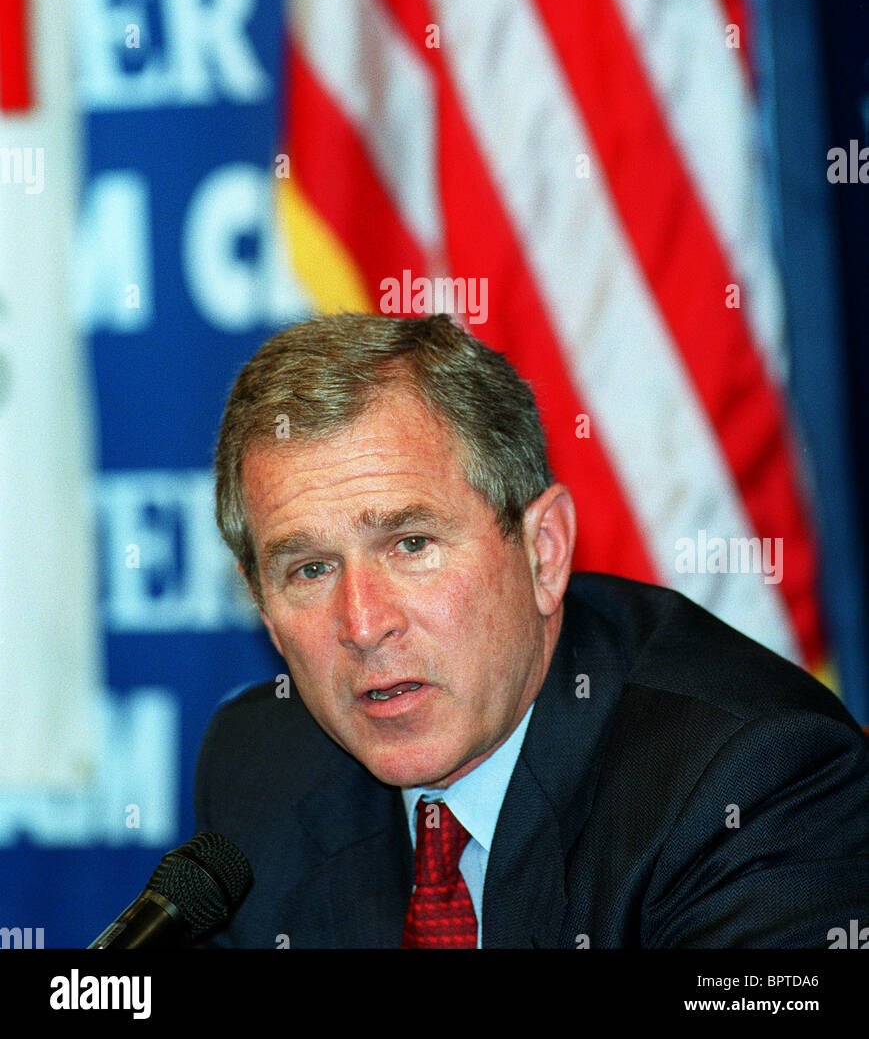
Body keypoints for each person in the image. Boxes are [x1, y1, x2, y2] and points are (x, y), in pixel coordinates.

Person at [195, 312, 869, 948]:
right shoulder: (259, 766)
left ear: (542, 551)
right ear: (265, 613)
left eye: (410, 544)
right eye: (310, 570)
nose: (364, 624)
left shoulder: (745, 778)